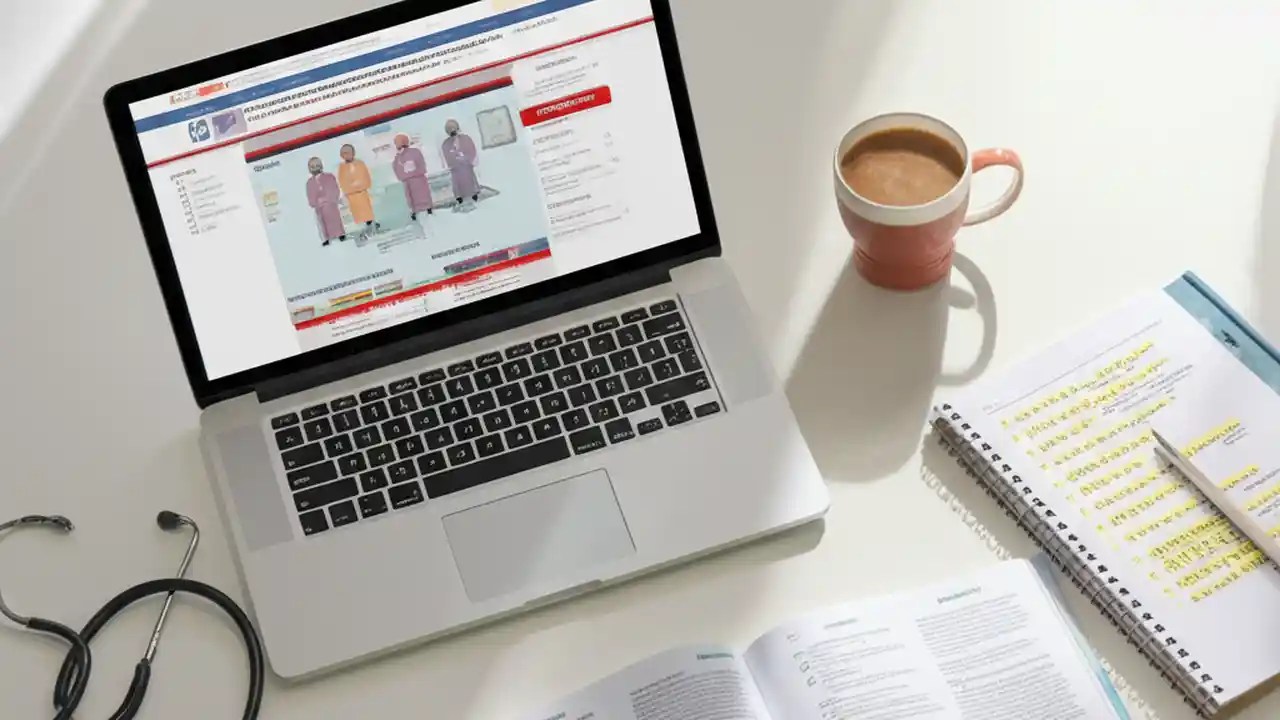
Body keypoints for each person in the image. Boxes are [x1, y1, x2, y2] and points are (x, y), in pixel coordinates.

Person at [337, 143, 379, 232]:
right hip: (352, 195)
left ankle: (372, 223)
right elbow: (342, 181)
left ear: (353, 153)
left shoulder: (360, 163)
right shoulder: (341, 167)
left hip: (362, 192)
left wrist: (361, 185)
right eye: (344, 153)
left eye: (348, 152)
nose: (346, 155)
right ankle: (365, 227)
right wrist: (350, 188)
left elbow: (366, 176)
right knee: (357, 212)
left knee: (367, 210)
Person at [392, 133, 433, 221]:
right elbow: (397, 170)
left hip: (418, 179)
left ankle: (428, 209)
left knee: (422, 194)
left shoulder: (414, 152)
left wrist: (413, 172)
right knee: (411, 197)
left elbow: (421, 165)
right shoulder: (398, 158)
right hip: (408, 182)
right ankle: (415, 211)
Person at [305, 157, 345, 246]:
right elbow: (310, 196)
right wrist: (317, 202)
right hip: (319, 208)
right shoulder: (309, 183)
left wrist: (328, 199)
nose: (315, 168)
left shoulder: (329, 177)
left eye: (317, 165)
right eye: (312, 166)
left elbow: (334, 189)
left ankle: (340, 234)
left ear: (321, 166)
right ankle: (325, 239)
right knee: (321, 221)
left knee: (334, 218)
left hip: (331, 205)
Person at [441, 119, 480, 209]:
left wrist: (465, 158)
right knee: (457, 184)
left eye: (454, 130)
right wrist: (455, 158)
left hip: (466, 166)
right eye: (450, 131)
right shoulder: (446, 144)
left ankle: (474, 195)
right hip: (456, 169)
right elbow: (447, 156)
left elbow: (472, 151)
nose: (453, 133)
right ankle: (459, 198)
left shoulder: (466, 139)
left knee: (470, 181)